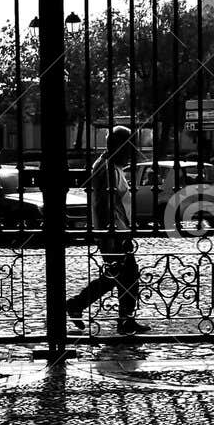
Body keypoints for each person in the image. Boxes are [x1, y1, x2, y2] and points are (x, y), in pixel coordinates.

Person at [66, 125, 149, 334]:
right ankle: (121, 319)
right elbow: (104, 205)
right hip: (114, 233)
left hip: (118, 231)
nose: (132, 153)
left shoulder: (110, 165)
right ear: (120, 146)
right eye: (129, 147)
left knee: (119, 276)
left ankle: (82, 306)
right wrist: (110, 236)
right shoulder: (107, 168)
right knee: (123, 275)